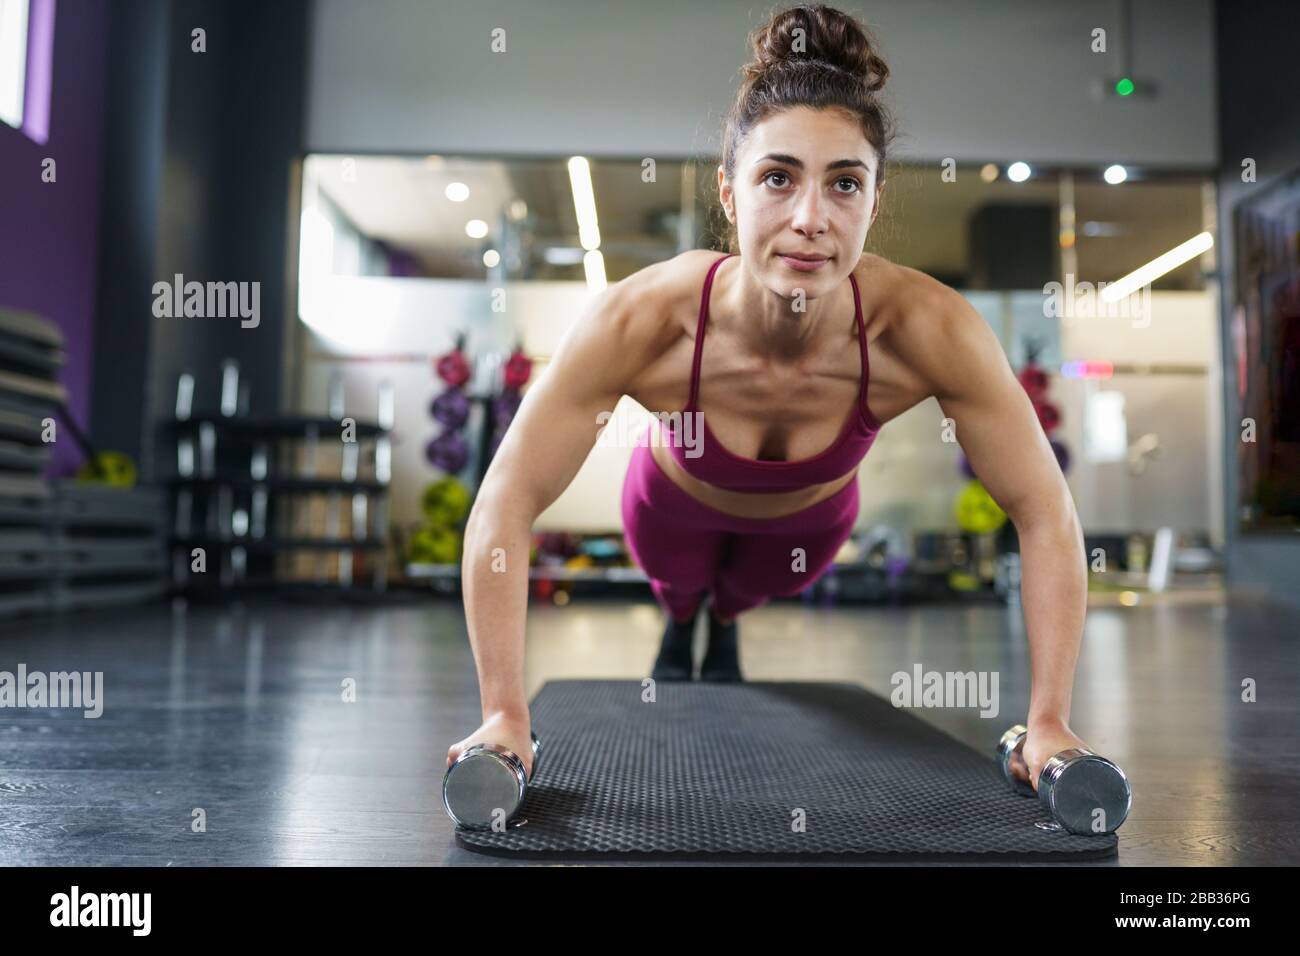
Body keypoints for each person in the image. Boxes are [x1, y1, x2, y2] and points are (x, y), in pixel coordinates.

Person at [449, 3, 1093, 792]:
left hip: (814, 517)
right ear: (729, 192)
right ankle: (685, 617)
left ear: (875, 202)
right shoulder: (643, 318)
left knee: (759, 586)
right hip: (672, 504)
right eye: (778, 178)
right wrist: (503, 712)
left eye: (845, 184)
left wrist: (1051, 717)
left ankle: (721, 621)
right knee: (678, 581)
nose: (810, 219)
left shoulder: (929, 326)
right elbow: (508, 497)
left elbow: (1045, 510)